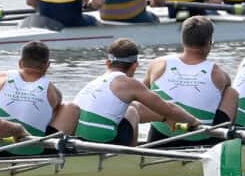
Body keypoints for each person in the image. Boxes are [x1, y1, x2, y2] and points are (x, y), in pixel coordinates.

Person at [53, 38, 200, 146]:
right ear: (135, 66)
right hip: (103, 143)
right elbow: (170, 108)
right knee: (131, 111)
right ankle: (133, 155)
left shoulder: (94, 83)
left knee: (136, 107)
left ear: (108, 63)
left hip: (79, 141)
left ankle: (171, 123)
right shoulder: (128, 84)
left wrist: (166, 118)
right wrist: (194, 122)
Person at [142, 16, 238, 144]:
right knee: (231, 93)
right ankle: (223, 143)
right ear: (209, 42)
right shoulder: (218, 74)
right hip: (198, 138)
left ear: (182, 41)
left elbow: (141, 98)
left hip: (159, 138)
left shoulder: (157, 64)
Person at [0, 41, 63, 155]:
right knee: (66, 109)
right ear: (47, 65)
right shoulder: (54, 92)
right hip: (30, 153)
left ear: (20, 63)